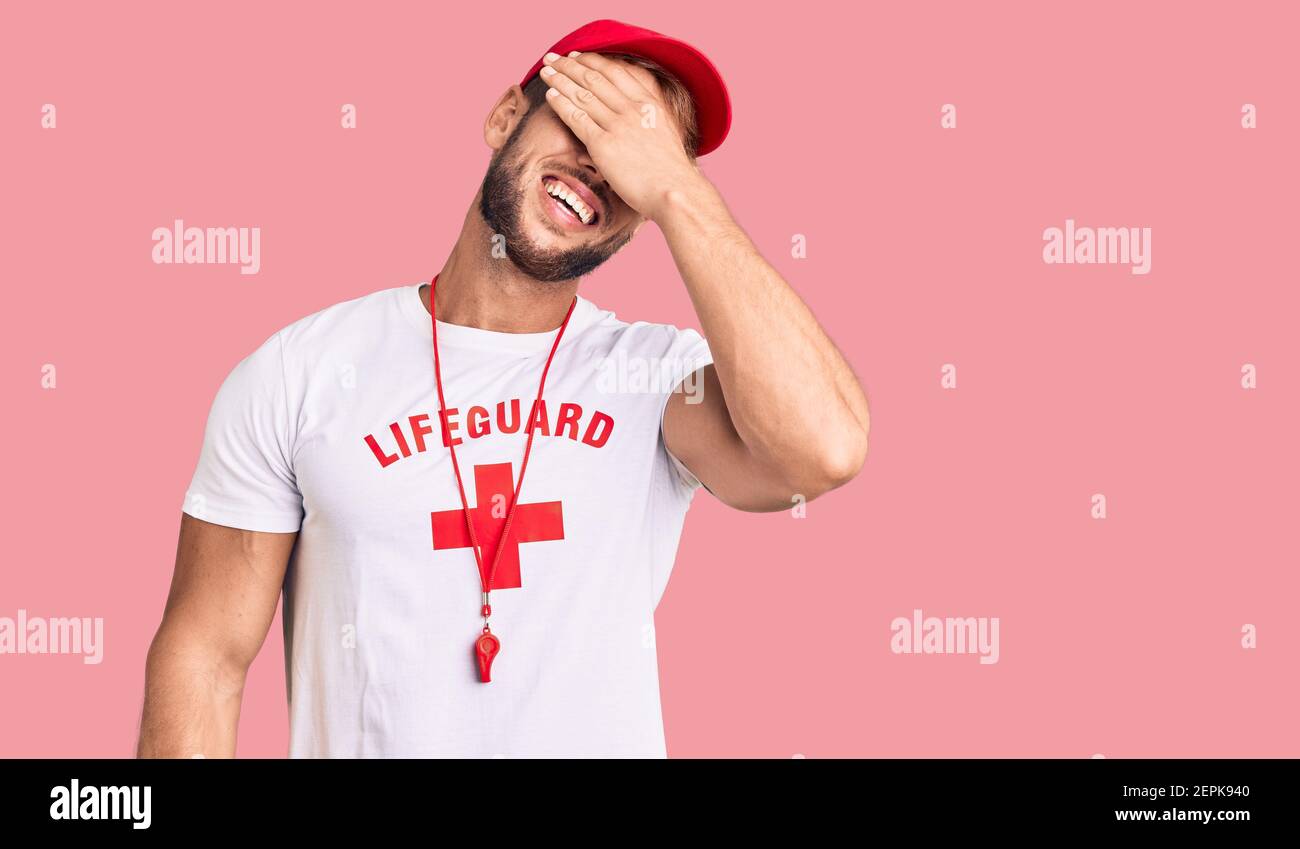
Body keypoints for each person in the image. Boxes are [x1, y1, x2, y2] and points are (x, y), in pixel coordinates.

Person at [138, 19, 870, 758]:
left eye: (637, 156)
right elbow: (204, 658)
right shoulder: (299, 371)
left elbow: (826, 449)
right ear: (505, 117)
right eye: (592, 117)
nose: (602, 167)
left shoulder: (653, 380)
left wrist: (680, 190)